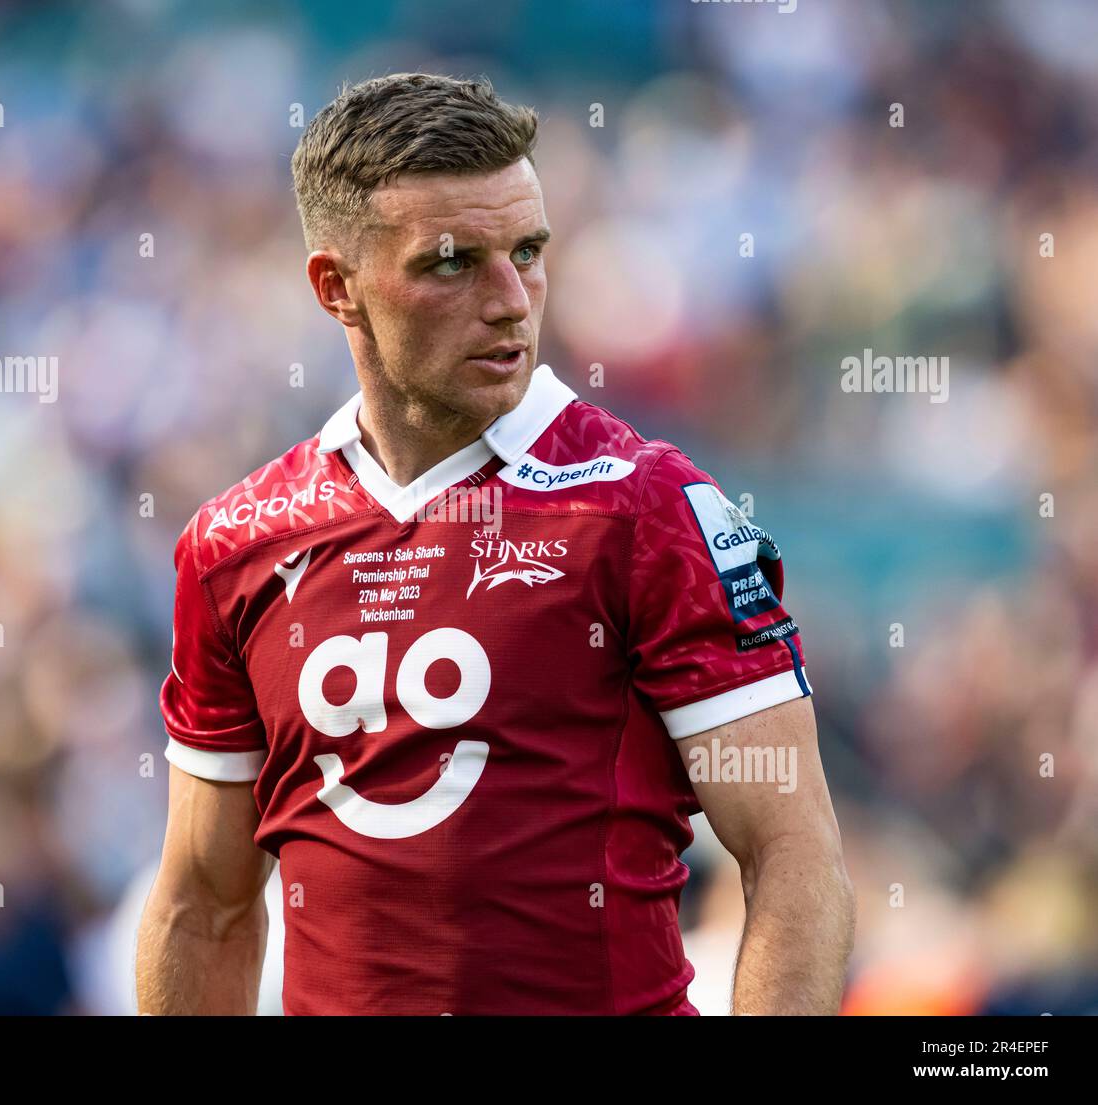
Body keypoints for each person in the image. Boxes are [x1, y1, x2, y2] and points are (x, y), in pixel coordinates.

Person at [135, 72, 854, 1015]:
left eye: (528, 250)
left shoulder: (650, 510)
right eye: (452, 262)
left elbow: (796, 860)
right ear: (336, 287)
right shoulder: (236, 545)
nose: (512, 299)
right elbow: (202, 907)